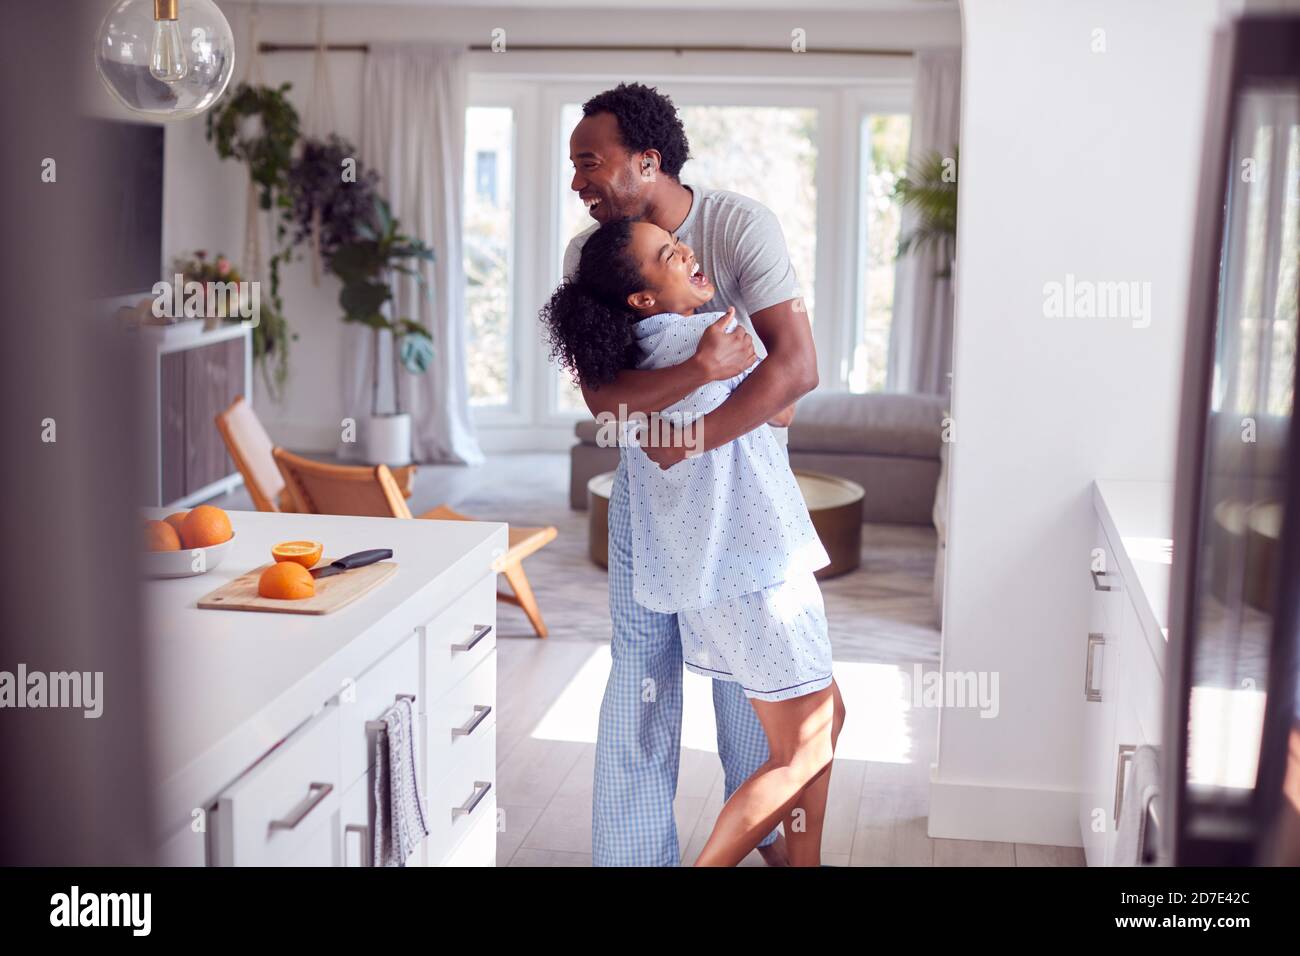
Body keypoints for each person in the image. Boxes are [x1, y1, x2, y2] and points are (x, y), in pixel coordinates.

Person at [561, 83, 822, 866]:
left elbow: (796, 368)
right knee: (641, 675)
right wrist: (700, 376)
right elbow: (606, 402)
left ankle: (772, 841)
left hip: (740, 494)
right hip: (648, 496)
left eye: (589, 162)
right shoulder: (592, 254)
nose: (578, 182)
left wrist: (691, 432)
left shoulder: (738, 226)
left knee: (753, 688)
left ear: (648, 162)